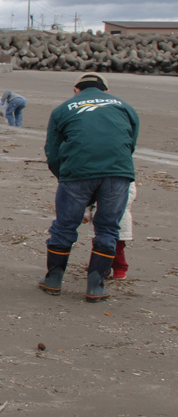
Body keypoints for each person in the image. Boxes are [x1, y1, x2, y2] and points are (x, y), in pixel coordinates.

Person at [39, 72, 138, 302]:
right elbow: (130, 143)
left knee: (64, 226)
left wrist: (62, 175)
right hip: (118, 171)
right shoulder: (125, 106)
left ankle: (54, 279)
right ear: (106, 90)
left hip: (77, 171)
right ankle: (96, 284)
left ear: (76, 89)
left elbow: (52, 152)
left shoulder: (63, 109)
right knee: (108, 228)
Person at [85, 181, 136, 280]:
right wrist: (87, 210)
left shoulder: (126, 177)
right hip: (98, 214)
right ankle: (103, 267)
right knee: (98, 244)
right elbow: (90, 194)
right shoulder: (99, 175)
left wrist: (115, 201)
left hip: (119, 216)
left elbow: (131, 194)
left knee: (117, 247)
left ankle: (120, 268)